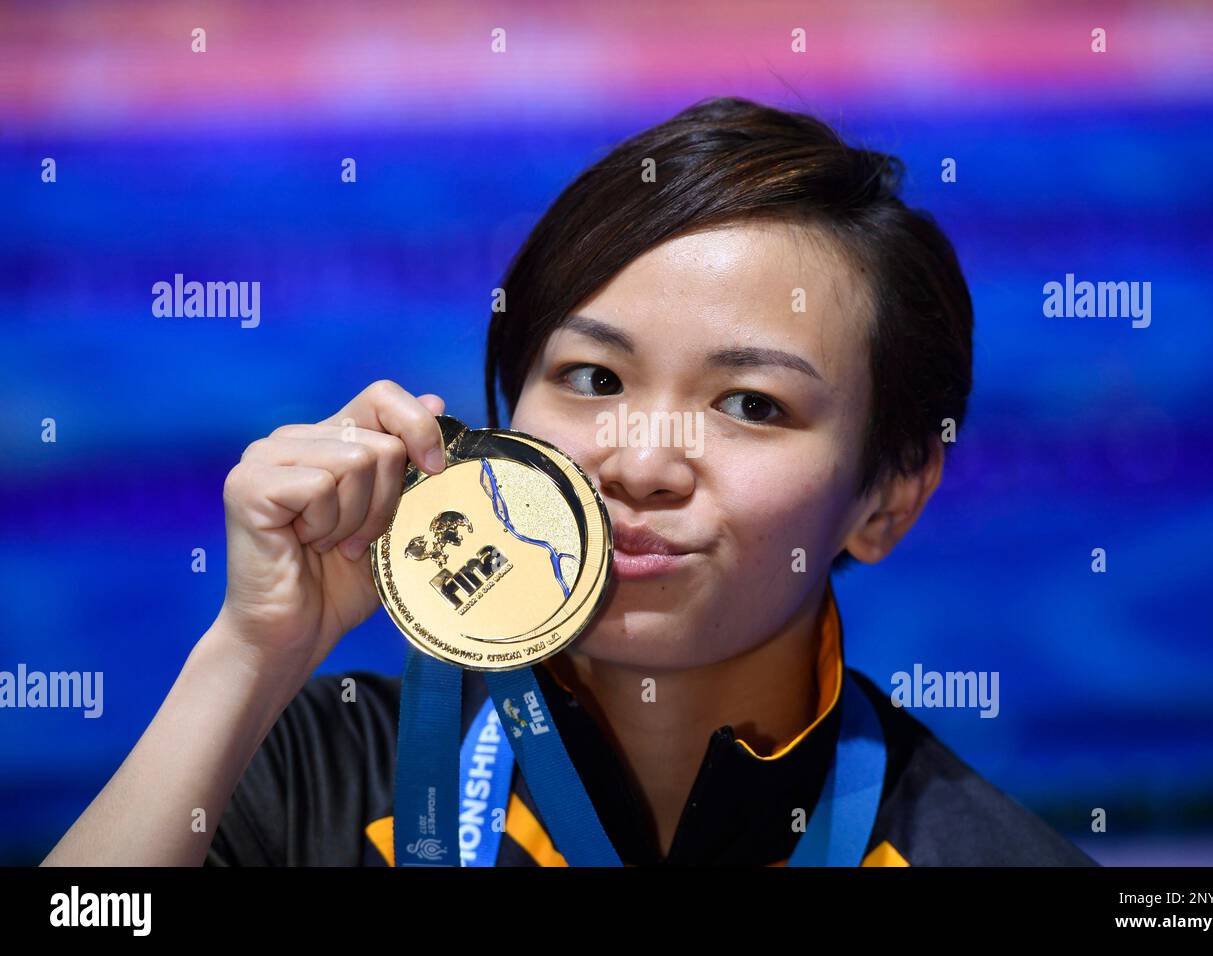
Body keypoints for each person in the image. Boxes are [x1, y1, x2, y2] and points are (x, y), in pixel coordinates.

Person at [43, 96, 1094, 867]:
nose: (639, 461)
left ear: (888, 495)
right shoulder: (310, 776)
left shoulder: (974, 852)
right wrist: (246, 654)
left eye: (750, 404)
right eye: (593, 378)